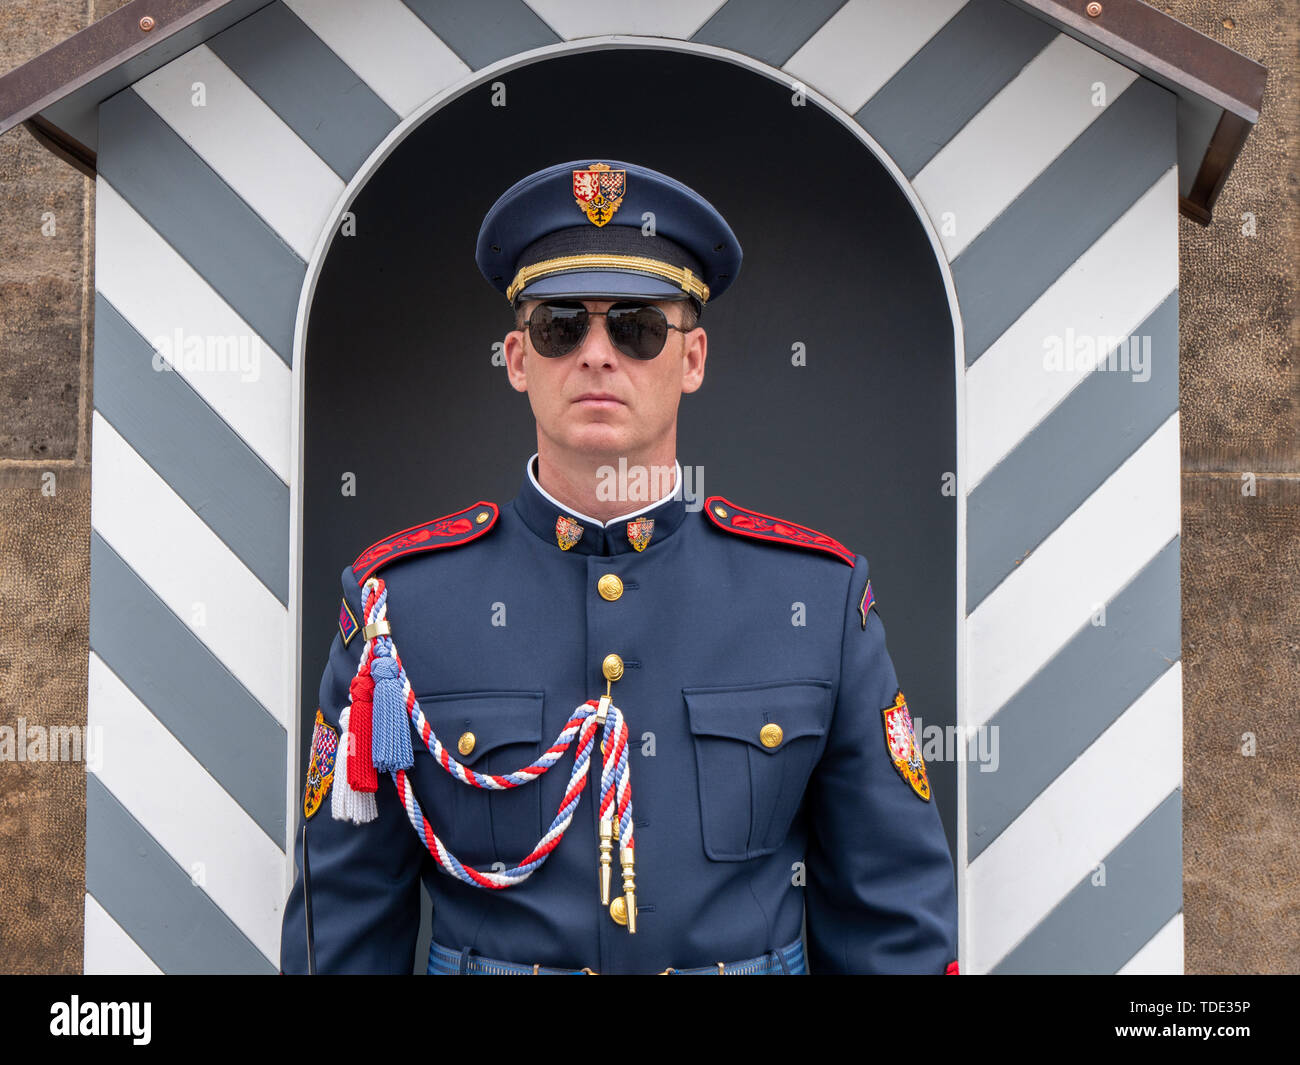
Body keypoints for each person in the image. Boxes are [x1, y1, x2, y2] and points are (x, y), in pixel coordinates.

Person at [279, 159, 959, 975]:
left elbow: (893, 918)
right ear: (518, 359)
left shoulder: (813, 598)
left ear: (694, 358)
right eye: (561, 325)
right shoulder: (400, 609)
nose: (598, 355)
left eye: (636, 326)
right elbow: (344, 928)